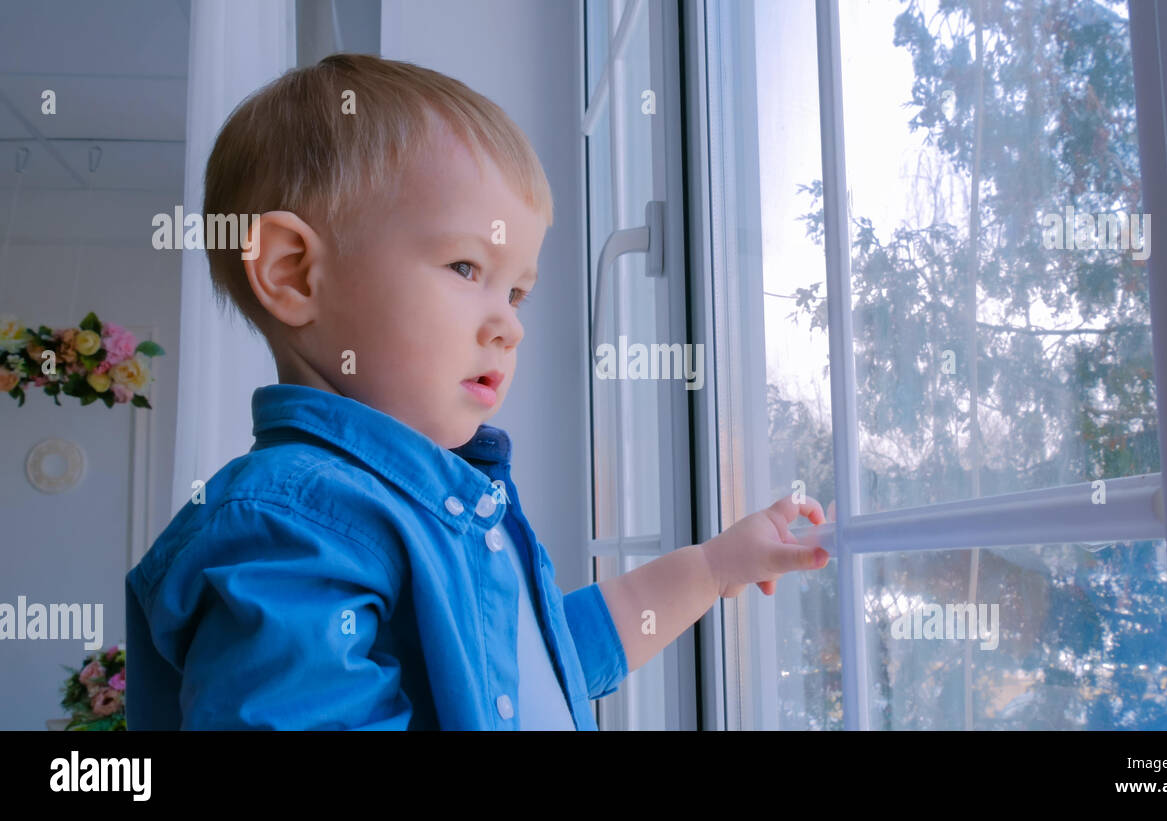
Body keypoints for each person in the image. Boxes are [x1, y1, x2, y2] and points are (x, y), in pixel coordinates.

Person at [125, 53, 829, 730]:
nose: (510, 325)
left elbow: (547, 669)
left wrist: (712, 567)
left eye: (517, 290)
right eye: (466, 267)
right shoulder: (292, 526)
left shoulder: (438, 503)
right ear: (293, 273)